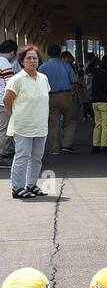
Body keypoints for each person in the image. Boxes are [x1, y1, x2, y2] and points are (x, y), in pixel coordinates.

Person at [5, 45, 50, 199]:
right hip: (22, 125)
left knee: (37, 157)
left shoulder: (43, 78)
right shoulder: (16, 80)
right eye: (28, 58)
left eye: (35, 57)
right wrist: (16, 114)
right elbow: (7, 100)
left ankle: (31, 184)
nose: (32, 60)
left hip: (40, 125)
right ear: (22, 62)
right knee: (22, 156)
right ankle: (17, 188)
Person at [40, 43, 79, 154]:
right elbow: (74, 80)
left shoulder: (43, 67)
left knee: (54, 122)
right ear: (59, 53)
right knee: (70, 120)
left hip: (50, 96)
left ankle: (55, 148)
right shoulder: (66, 65)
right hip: (66, 95)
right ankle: (67, 144)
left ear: (48, 54)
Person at [0, 38, 18, 164]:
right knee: (4, 130)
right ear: (12, 52)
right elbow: (11, 85)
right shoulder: (5, 63)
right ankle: (1, 155)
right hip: (2, 102)